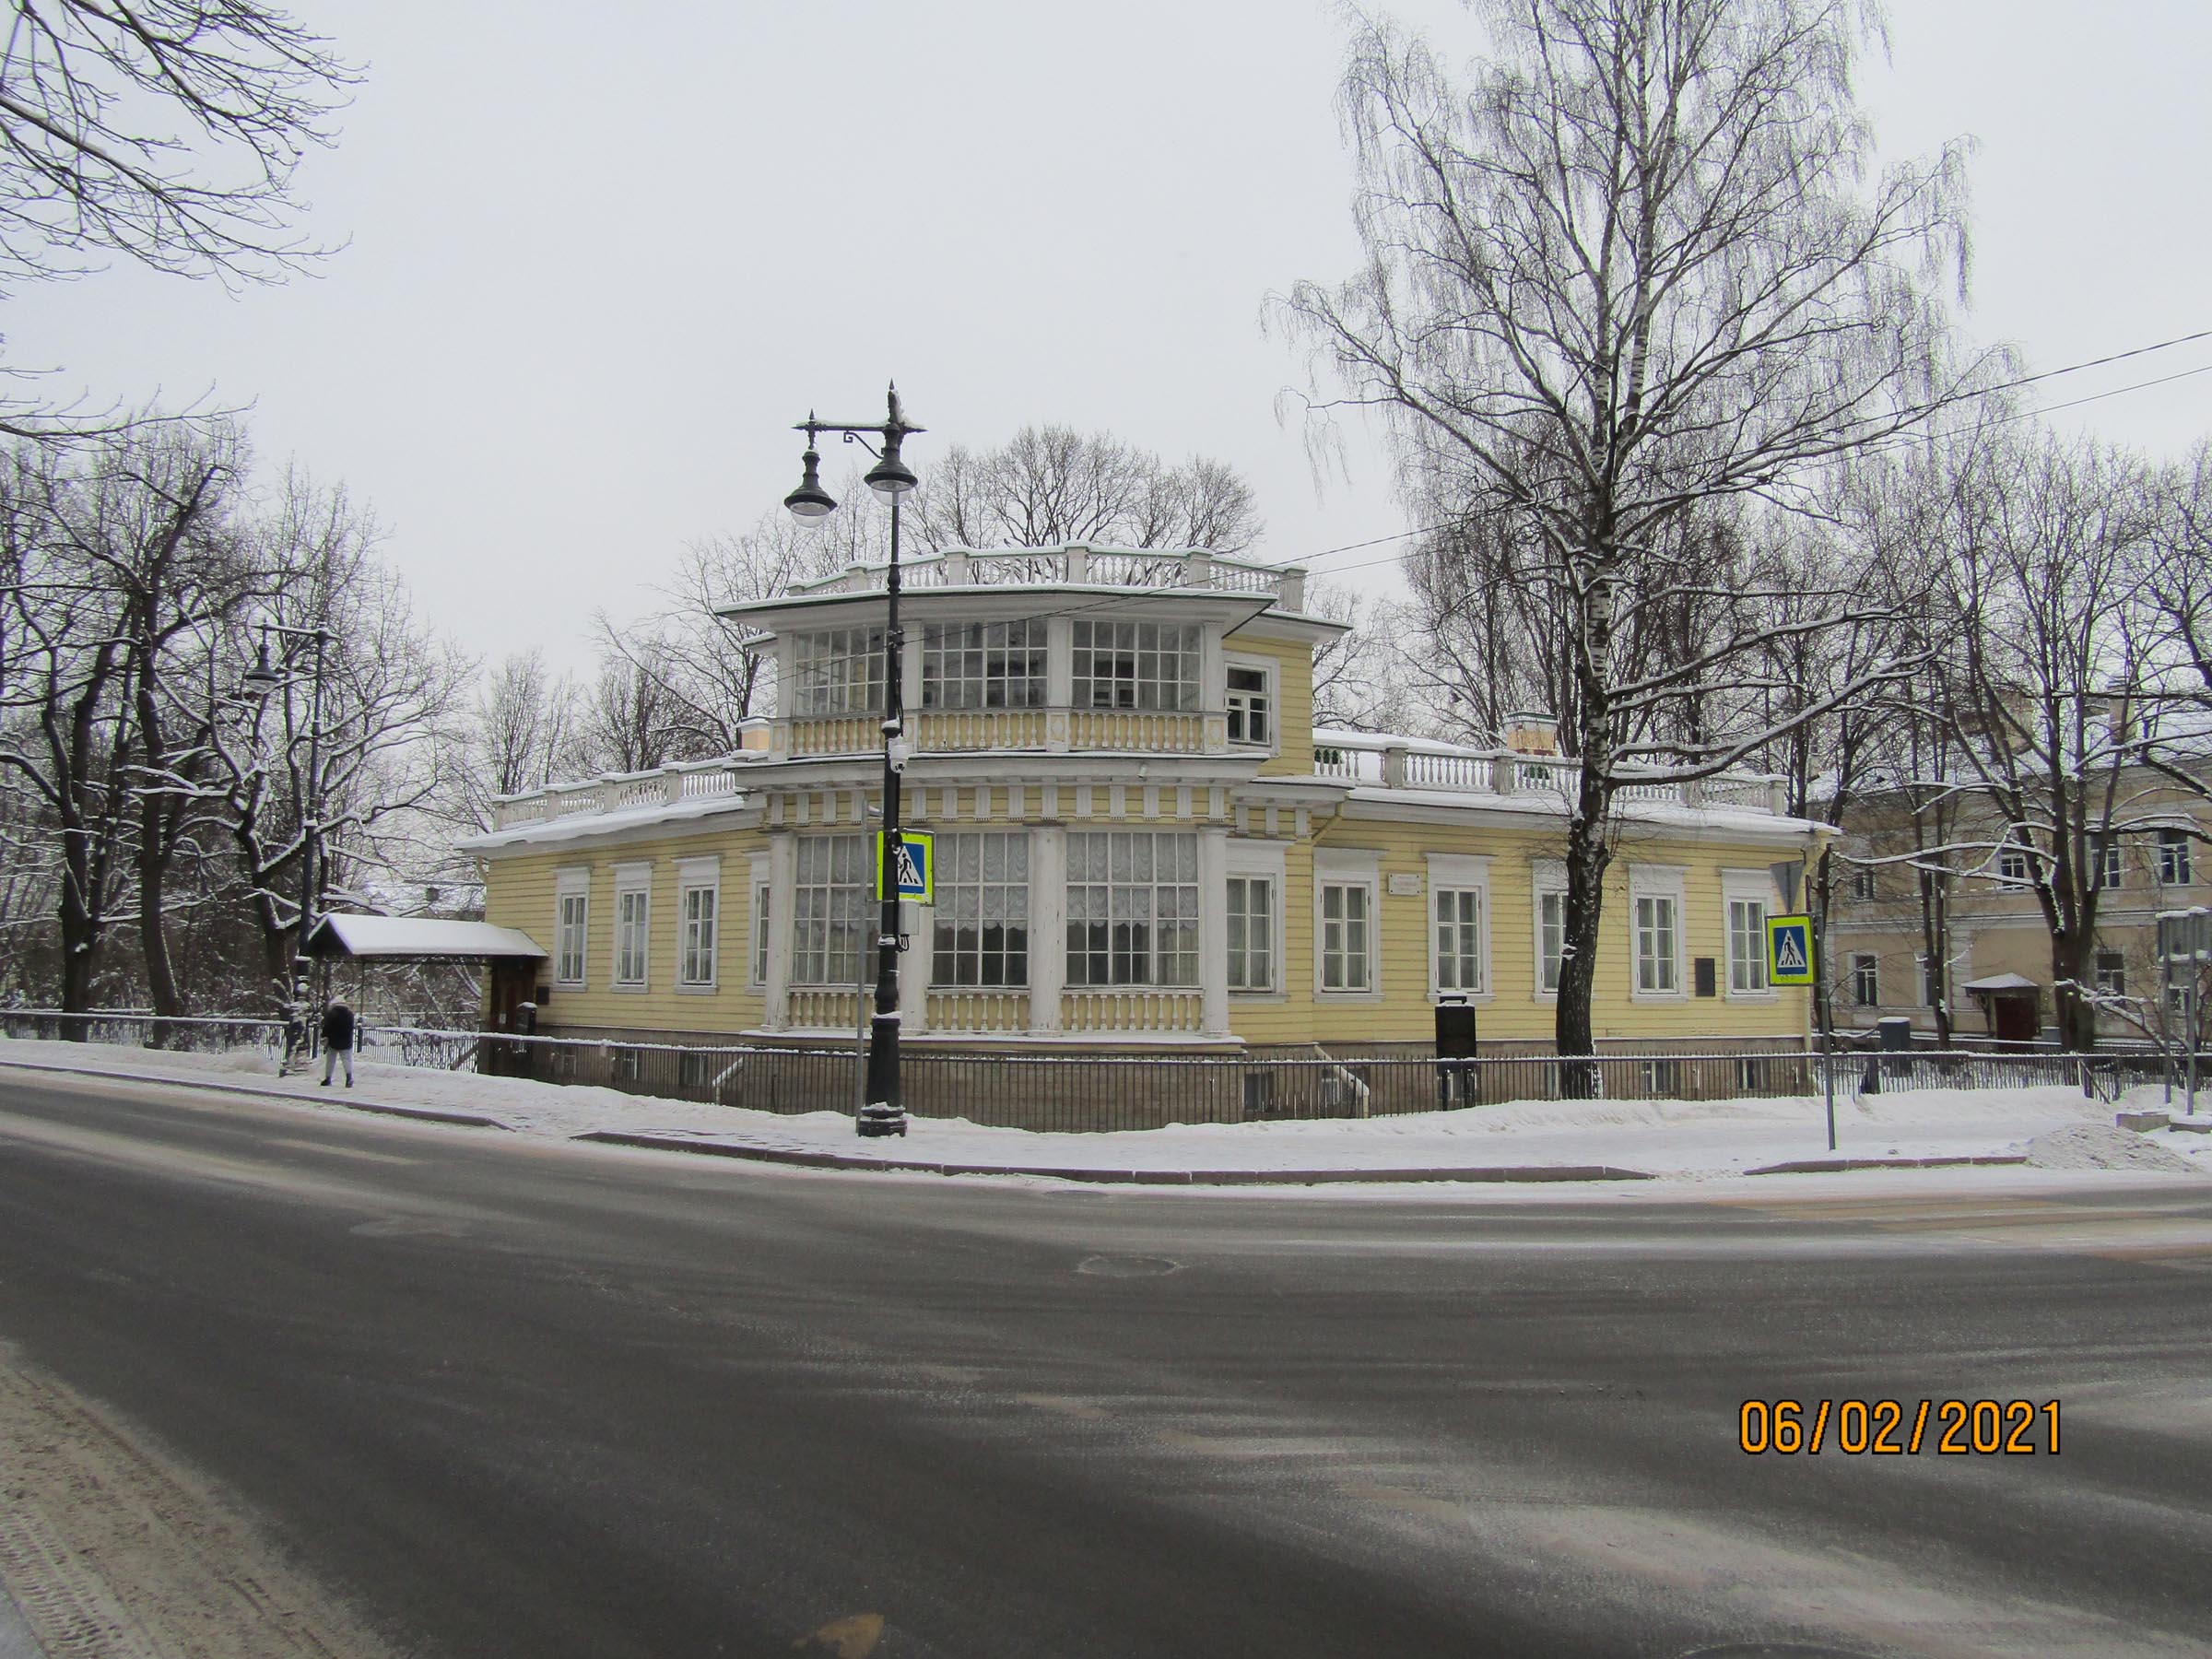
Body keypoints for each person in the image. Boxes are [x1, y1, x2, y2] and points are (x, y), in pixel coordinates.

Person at [320, 999, 356, 1088]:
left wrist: (324, 1035)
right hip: (346, 1041)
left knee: (330, 1061)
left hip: (333, 1041)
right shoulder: (350, 1014)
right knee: (347, 1061)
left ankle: (328, 1078)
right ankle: (349, 1077)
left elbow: (327, 1027)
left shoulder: (332, 1014)